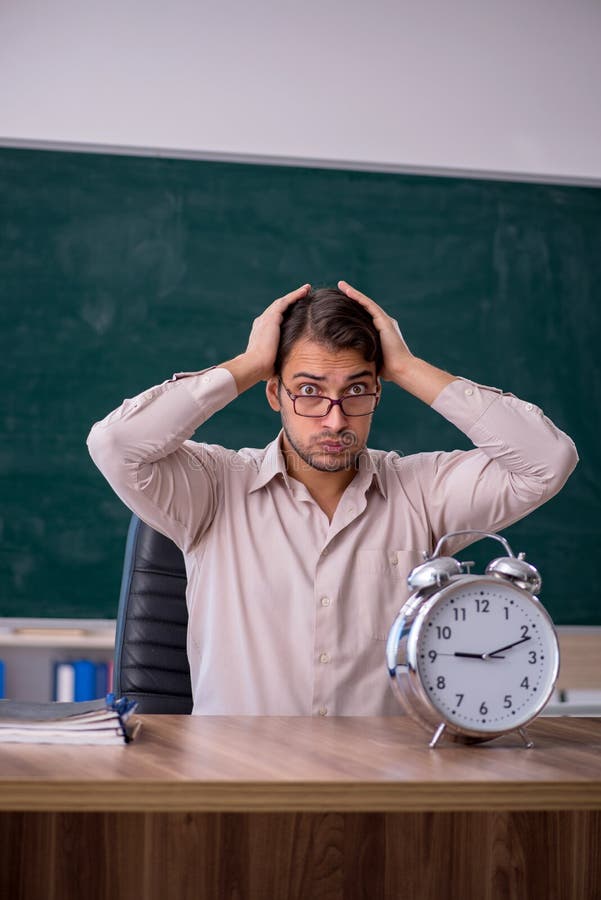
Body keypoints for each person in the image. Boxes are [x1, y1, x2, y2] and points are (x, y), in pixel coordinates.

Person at [87, 281, 578, 716]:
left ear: (379, 393)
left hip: (381, 789)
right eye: (309, 390)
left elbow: (547, 460)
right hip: (238, 788)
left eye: (357, 391)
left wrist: (407, 367)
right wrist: (247, 365)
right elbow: (115, 445)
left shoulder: (422, 492)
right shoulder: (211, 489)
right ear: (274, 393)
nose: (335, 419)